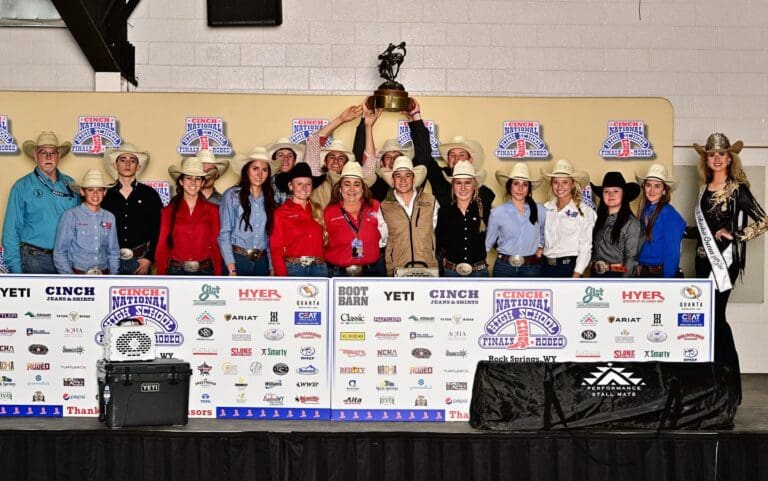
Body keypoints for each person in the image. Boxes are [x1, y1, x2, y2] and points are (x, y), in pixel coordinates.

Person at [689, 133, 768, 402]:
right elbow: (706, 228)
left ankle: (730, 380)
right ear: (707, 159)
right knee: (707, 318)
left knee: (717, 317)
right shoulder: (703, 189)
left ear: (729, 158)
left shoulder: (737, 189)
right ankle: (713, 379)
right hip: (702, 259)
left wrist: (736, 235)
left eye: (722, 154)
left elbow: (763, 221)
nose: (717, 159)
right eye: (712, 155)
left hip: (724, 261)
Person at [2, 131, 79, 273]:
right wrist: (16, 269)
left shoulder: (71, 184)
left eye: (53, 153)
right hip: (34, 258)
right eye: (43, 152)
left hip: (67, 258)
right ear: (36, 156)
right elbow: (11, 230)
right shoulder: (22, 186)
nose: (48, 157)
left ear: (59, 156)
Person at [101, 143, 163, 275]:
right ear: (115, 165)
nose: (127, 164)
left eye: (132, 160)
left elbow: (159, 229)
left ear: (138, 166)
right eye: (123, 160)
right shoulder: (105, 194)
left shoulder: (150, 194)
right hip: (110, 259)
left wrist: (149, 258)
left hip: (140, 260)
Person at [218, 147, 280, 276]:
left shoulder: (271, 198)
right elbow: (224, 233)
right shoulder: (232, 195)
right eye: (255, 168)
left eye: (264, 170)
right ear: (247, 170)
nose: (260, 174)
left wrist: (271, 266)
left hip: (262, 261)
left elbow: (269, 235)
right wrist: (231, 267)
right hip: (238, 259)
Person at [155, 156, 223, 275]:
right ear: (181, 182)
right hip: (176, 271)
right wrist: (161, 275)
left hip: (205, 271)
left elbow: (216, 244)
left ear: (202, 183)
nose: (193, 182)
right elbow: (162, 245)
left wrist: (218, 274)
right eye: (188, 178)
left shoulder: (213, 210)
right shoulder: (168, 211)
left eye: (197, 179)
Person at [377, 156, 438, 276]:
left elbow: (432, 230)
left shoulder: (431, 201)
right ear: (393, 181)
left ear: (414, 179)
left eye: (407, 175)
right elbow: (383, 239)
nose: (403, 180)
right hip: (398, 269)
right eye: (398, 176)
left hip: (428, 268)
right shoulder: (384, 207)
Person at [305, 104, 376, 207]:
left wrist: (368, 126)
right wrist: (341, 119)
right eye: (331, 157)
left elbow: (370, 162)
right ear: (325, 161)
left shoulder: (352, 181)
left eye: (341, 158)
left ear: (347, 163)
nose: (336, 161)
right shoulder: (316, 176)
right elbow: (314, 142)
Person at [53, 169, 120, 275]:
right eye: (90, 190)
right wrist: (70, 277)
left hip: (104, 274)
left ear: (105, 192)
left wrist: (113, 275)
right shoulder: (71, 215)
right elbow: (60, 252)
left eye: (99, 190)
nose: (95, 194)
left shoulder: (109, 217)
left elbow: (113, 251)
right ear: (82, 192)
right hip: (78, 273)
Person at [486, 163, 545, 277]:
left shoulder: (540, 210)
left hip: (531, 267)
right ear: (509, 186)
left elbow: (545, 233)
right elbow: (487, 243)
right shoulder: (497, 212)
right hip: (504, 267)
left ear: (529, 188)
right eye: (516, 183)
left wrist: (541, 246)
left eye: (525, 184)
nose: (520, 188)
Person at [323, 162, 382, 277]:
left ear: (363, 189)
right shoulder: (329, 212)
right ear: (340, 189)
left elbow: (385, 235)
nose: (351, 189)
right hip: (337, 273)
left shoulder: (376, 207)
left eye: (356, 184)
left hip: (372, 272)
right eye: (347, 184)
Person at [270, 163, 327, 277]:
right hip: (294, 269)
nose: (304, 188)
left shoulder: (319, 210)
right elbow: (276, 248)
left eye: (308, 184)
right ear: (291, 186)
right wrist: (282, 276)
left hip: (319, 268)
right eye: (299, 184)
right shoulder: (281, 213)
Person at [541, 159, 595, 277]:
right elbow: (539, 235)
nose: (560, 186)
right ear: (551, 184)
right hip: (544, 266)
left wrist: (576, 274)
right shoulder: (545, 208)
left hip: (568, 267)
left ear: (573, 184)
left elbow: (586, 247)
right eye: (556, 182)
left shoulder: (585, 211)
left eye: (565, 182)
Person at [435, 161, 489, 277]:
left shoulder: (485, 211)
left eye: (467, 183)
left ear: (474, 185)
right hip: (451, 271)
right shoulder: (444, 212)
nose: (463, 188)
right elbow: (439, 243)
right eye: (458, 183)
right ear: (453, 186)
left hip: (479, 272)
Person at [635, 163, 685, 278]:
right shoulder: (645, 210)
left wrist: (668, 282)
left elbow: (672, 252)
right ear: (644, 187)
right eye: (648, 185)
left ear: (664, 190)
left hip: (659, 272)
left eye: (657, 186)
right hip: (642, 270)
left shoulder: (670, 214)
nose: (652, 190)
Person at [590, 172, 643, 278]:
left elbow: (631, 260)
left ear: (623, 194)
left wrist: (623, 285)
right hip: (597, 274)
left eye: (615, 191)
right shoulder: (598, 220)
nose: (611, 195)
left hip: (617, 275)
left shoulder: (631, 224)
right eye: (606, 191)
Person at [434, 134, 495, 207]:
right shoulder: (438, 177)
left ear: (470, 159)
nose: (456, 159)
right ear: (448, 159)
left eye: (462, 155)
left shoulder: (485, 194)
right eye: (452, 155)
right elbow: (425, 159)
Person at [268, 137, 305, 205]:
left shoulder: (302, 179)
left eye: (290, 156)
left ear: (294, 161)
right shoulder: (267, 181)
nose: (285, 159)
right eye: (281, 155)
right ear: (274, 160)